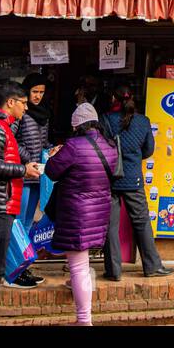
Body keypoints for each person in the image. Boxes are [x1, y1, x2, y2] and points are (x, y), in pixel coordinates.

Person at [0, 83, 43, 325]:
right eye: (23, 102)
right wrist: (23, 169)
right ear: (10, 103)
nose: (26, 107)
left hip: (2, 204)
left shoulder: (4, 128)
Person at [44, 102, 119, 326]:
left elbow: (52, 171)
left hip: (76, 212)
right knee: (82, 265)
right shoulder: (110, 145)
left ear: (76, 125)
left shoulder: (74, 146)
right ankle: (77, 287)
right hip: (98, 210)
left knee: (78, 266)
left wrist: (53, 156)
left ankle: (84, 320)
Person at [101, 88, 172, 281]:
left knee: (110, 225)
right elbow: (148, 150)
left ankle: (114, 271)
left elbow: (102, 149)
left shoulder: (106, 119)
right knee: (141, 222)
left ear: (113, 98)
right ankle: (152, 266)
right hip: (133, 178)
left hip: (111, 179)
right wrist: (134, 157)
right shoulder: (143, 121)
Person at [9, 73, 49, 288]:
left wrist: (50, 150)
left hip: (37, 176)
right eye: (35, 92)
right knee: (17, 224)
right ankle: (12, 270)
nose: (38, 96)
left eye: (42, 92)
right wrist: (28, 159)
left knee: (27, 224)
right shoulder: (21, 114)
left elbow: (43, 142)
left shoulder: (44, 115)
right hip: (23, 175)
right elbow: (11, 141)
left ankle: (21, 267)